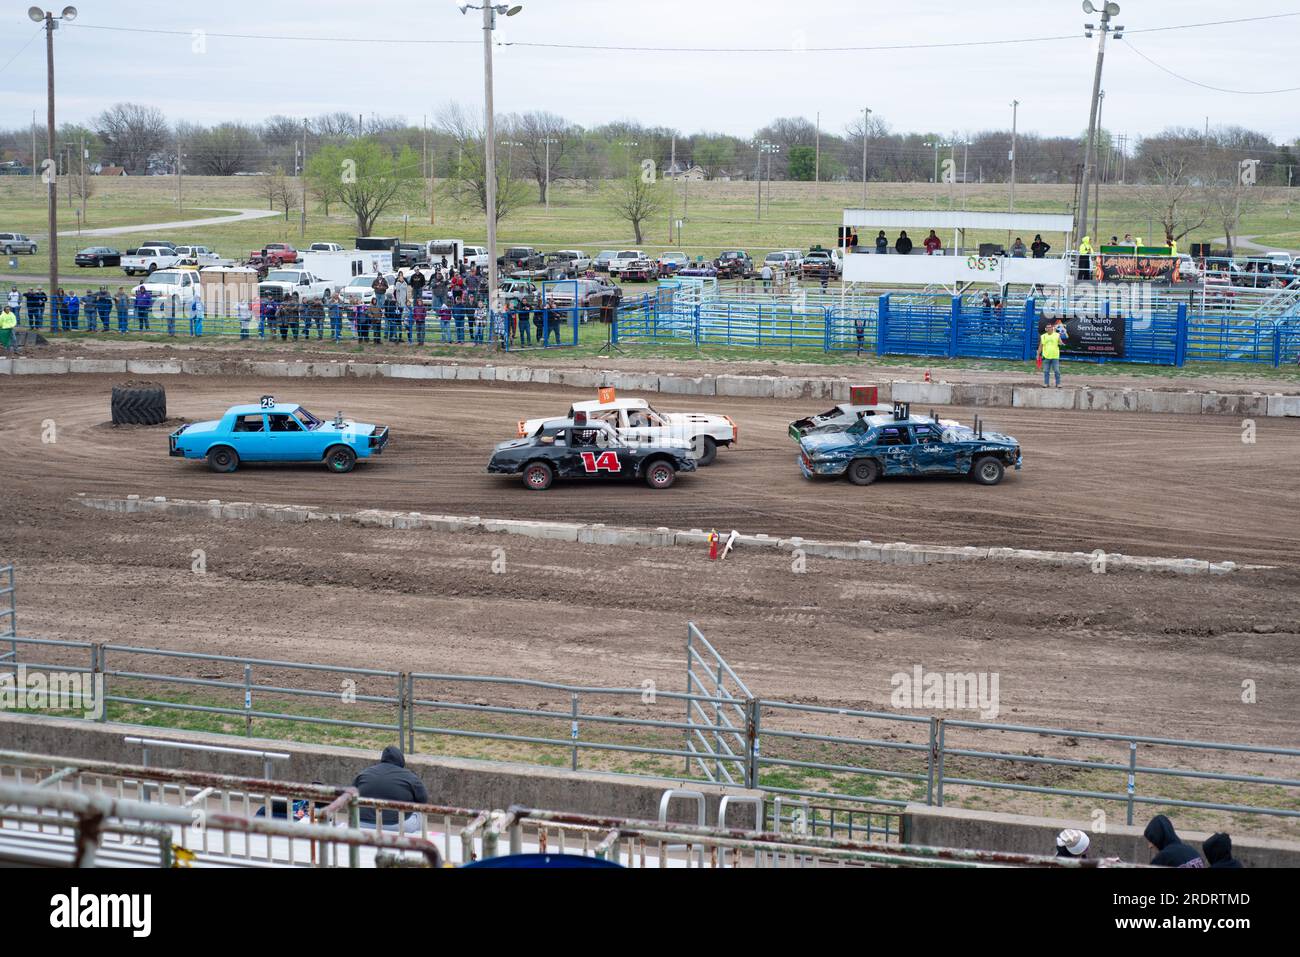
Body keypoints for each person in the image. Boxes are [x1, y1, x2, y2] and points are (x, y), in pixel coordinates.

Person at [351, 746, 428, 831]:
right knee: (420, 812)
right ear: (401, 760)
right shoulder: (410, 777)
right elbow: (423, 800)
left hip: (361, 823)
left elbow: (351, 796)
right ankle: (419, 840)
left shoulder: (364, 774)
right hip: (400, 826)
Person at [1038, 319, 1063, 388]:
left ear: (1052, 328)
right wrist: (1038, 355)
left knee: (1057, 371)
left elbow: (1061, 343)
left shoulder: (1057, 335)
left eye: (1050, 327)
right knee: (1046, 371)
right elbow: (1040, 346)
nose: (1049, 328)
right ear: (1046, 329)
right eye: (1047, 327)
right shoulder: (1043, 336)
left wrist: (1060, 340)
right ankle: (1046, 384)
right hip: (1046, 356)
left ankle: (1058, 384)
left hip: (1055, 356)